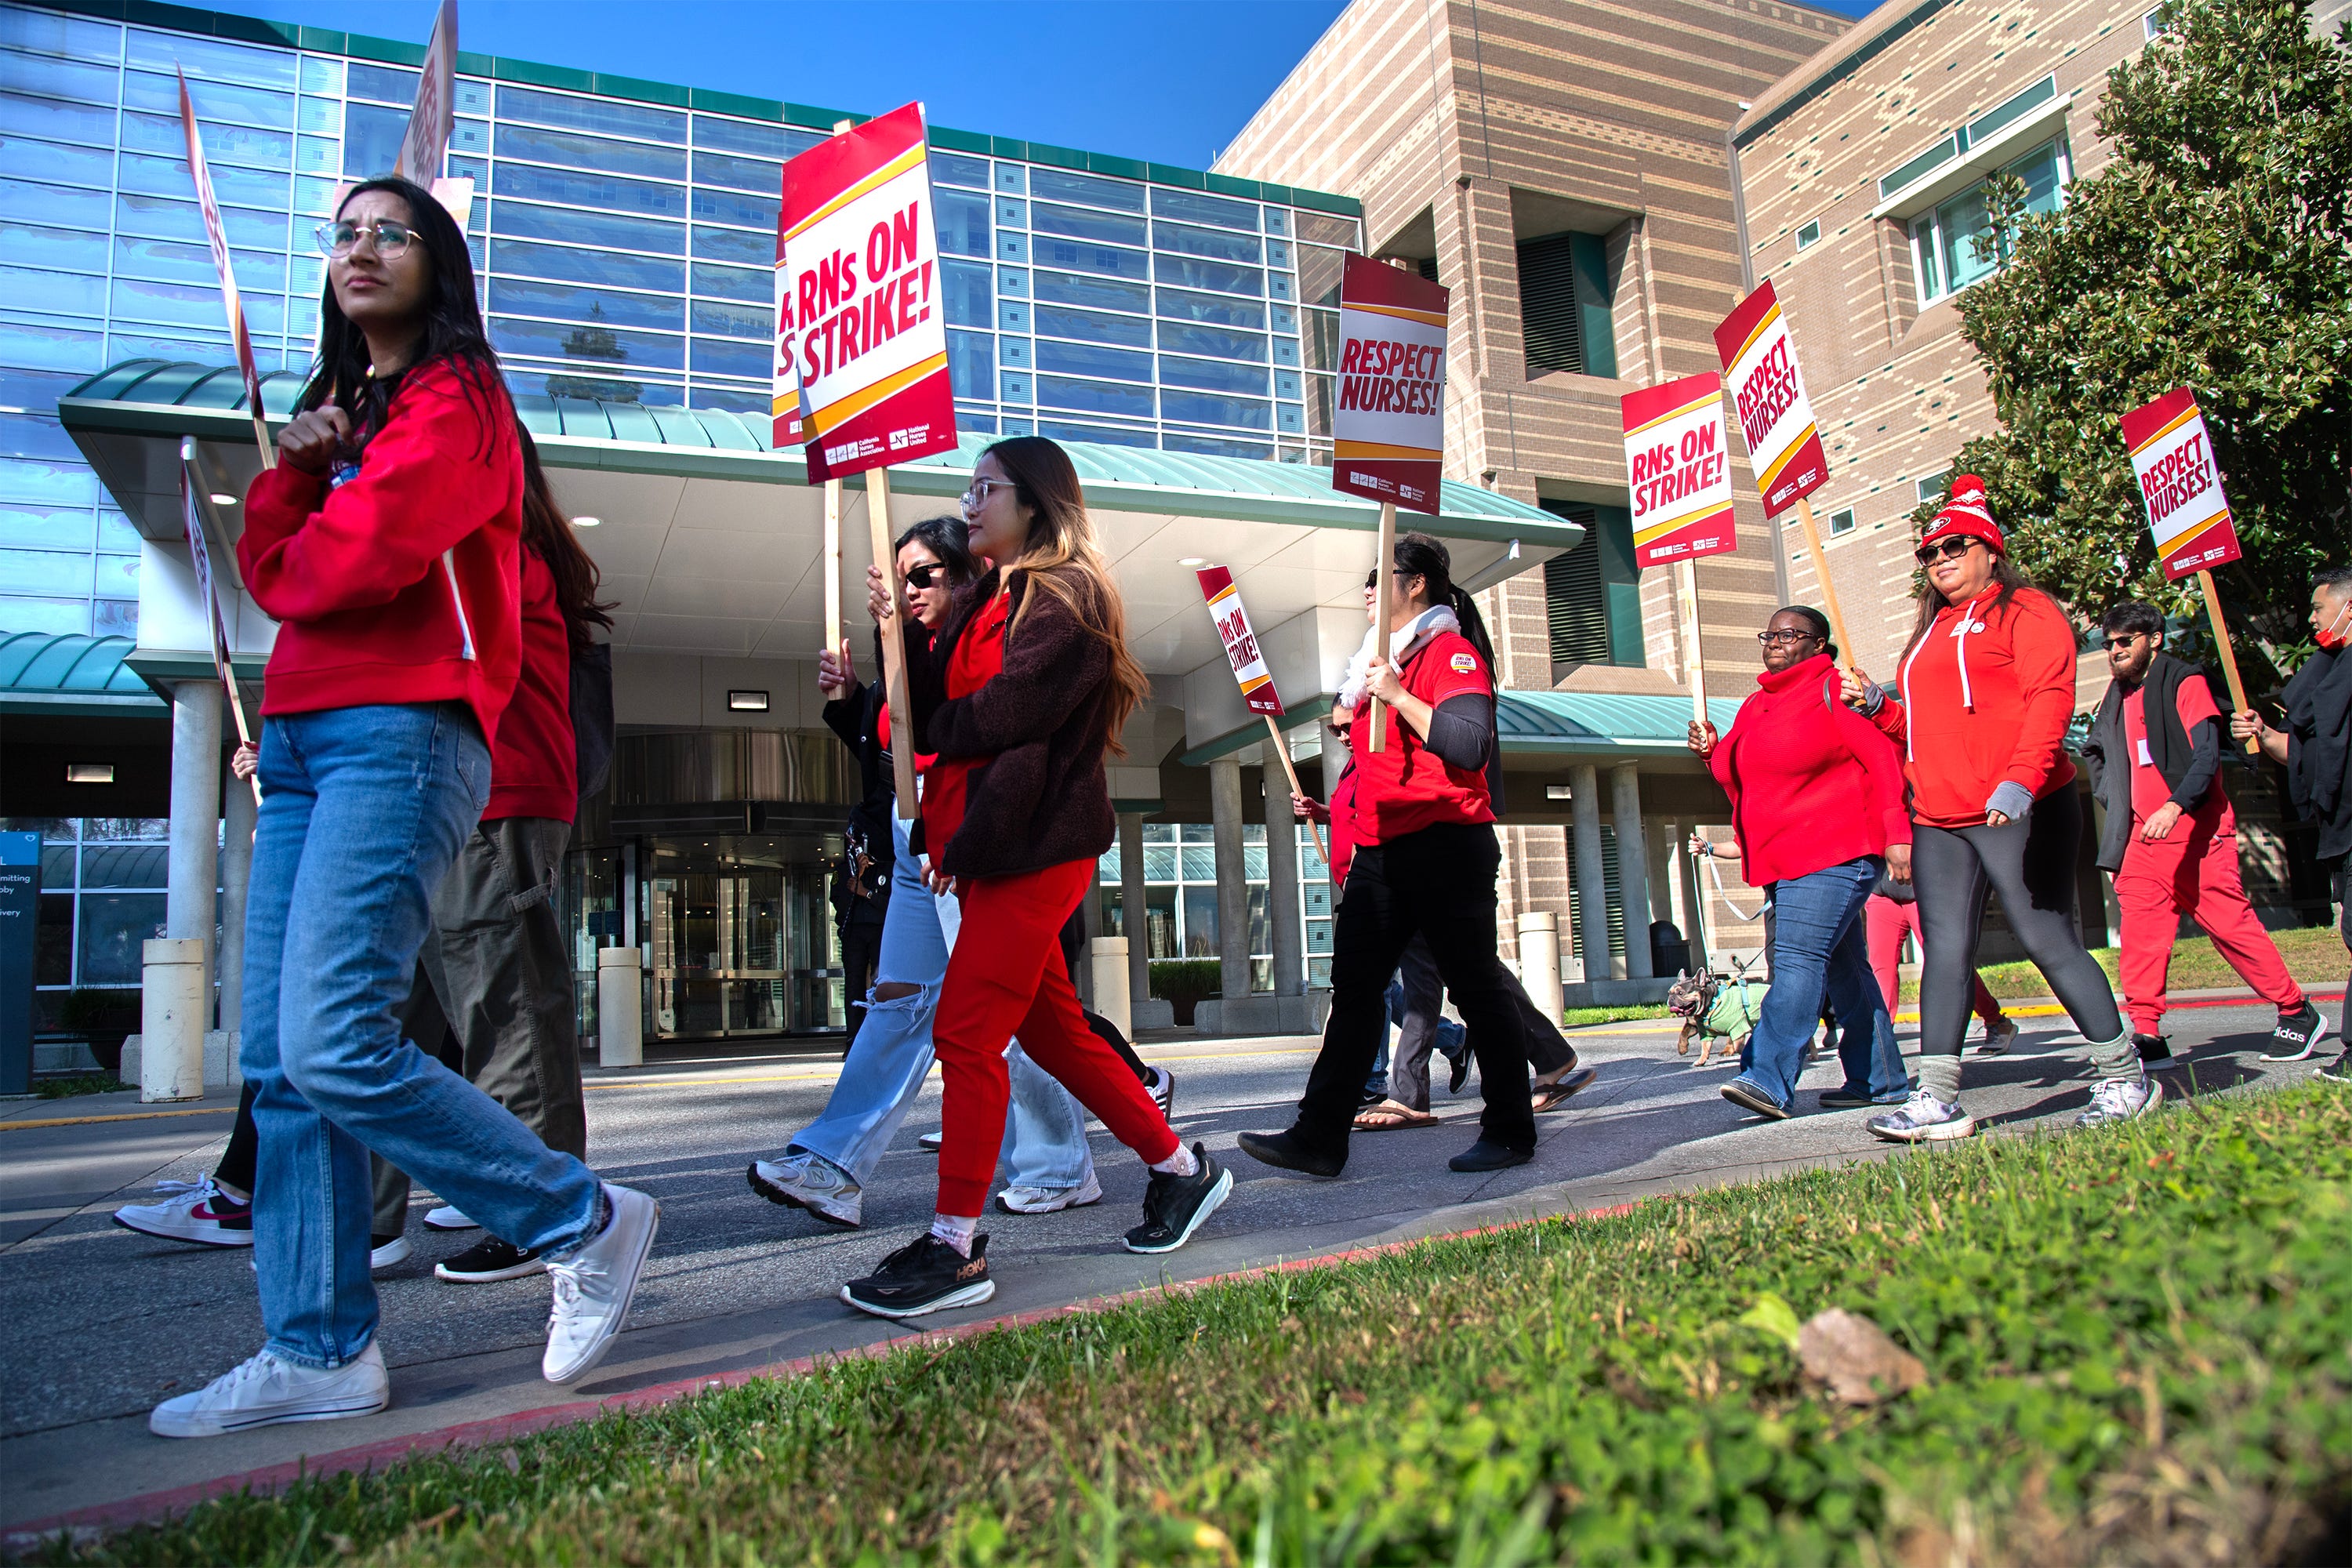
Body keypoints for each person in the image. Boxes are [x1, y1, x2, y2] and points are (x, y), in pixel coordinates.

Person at [153, 179, 658, 1441]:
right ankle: (318, 1350)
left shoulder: (459, 399)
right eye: (344, 232)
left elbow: (339, 565)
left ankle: (577, 1217)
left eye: (394, 230)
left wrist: (314, 495)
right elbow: (282, 575)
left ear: (442, 266)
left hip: (405, 733)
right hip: (306, 739)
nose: (361, 247)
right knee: (276, 1065)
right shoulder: (350, 419)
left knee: (335, 1038)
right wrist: (298, 473)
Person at [840, 437, 1229, 1319]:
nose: (969, 502)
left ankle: (955, 1243)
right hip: (997, 846)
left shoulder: (1068, 594)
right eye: (968, 488)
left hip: (1033, 847)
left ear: (1036, 501)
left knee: (967, 1033)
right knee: (1052, 1032)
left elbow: (1010, 713)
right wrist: (897, 629)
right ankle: (1179, 1168)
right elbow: (936, 697)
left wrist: (954, 784)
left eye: (985, 488)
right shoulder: (998, 595)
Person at [749, 516, 1108, 1227]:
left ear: (968, 573)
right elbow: (890, 748)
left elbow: (987, 736)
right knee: (901, 1001)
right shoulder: (915, 645)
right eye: (899, 577)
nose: (909, 590)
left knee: (1007, 1021)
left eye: (924, 575)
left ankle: (1064, 1164)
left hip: (969, 844)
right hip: (916, 839)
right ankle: (834, 1163)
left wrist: (966, 848)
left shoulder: (991, 637)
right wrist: (852, 699)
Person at [367, 423, 617, 1285]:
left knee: (506, 1010)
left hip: (490, 801)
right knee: (395, 1016)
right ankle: (371, 1218)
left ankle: (541, 1211)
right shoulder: (490, 549)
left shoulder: (493, 553)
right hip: (451, 800)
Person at [1842, 475, 2152, 1142]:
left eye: (1954, 546)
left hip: (2019, 803)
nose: (1940, 559)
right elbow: (1925, 728)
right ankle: (1937, 1099)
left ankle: (2124, 1074)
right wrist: (1879, 709)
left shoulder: (2028, 609)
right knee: (1945, 952)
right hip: (1940, 816)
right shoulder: (1929, 633)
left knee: (2046, 937)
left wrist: (2020, 778)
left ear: (1989, 549)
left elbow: (2049, 697)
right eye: (1929, 553)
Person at [1240, 532, 1534, 1178]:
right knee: (1356, 993)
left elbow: (1468, 745)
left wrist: (1398, 694)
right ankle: (1319, 1136)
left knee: (1477, 988)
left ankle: (1511, 1130)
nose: (1368, 591)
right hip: (1382, 851)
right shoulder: (1383, 660)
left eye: (1381, 577)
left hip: (1446, 844)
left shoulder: (1449, 654)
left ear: (1417, 584)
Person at [1686, 606, 1910, 1118]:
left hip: (1837, 851)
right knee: (1847, 971)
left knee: (1796, 962)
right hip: (1786, 858)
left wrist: (1898, 834)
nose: (1776, 641)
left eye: (1791, 634)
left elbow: (1883, 761)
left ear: (1819, 644)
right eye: (1770, 633)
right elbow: (1738, 774)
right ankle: (1880, 1080)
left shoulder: (1837, 691)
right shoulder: (1756, 704)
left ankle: (1767, 1076)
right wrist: (1711, 751)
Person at [2085, 601, 2323, 1069]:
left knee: (2229, 927)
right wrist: (2120, 830)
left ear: (2153, 639)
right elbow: (2105, 762)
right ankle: (2148, 1034)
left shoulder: (2184, 680)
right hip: (2140, 839)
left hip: (2196, 829)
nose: (2114, 651)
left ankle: (2296, 1009)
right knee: (2140, 939)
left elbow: (2207, 755)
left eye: (2124, 641)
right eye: (2108, 644)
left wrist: (2175, 806)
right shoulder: (2116, 698)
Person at [2233, 565, 2352, 1078]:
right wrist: (2263, 733)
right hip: (2341, 828)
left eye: (2319, 608)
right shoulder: (2328, 671)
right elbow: (2307, 755)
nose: (2311, 618)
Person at [1863, 881, 2017, 1056]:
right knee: (1880, 969)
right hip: (1882, 892)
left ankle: (1996, 1021)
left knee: (1948, 963)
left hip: (1923, 891)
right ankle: (1878, 1039)